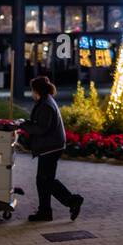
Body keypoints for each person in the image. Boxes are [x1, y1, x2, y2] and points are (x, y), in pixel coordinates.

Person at [21, 76, 84, 222]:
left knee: (45, 180)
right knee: (44, 180)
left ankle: (71, 201)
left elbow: (42, 128)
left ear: (37, 90)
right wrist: (25, 122)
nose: (31, 92)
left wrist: (24, 126)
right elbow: (39, 123)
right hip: (51, 145)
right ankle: (46, 211)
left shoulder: (46, 105)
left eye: (32, 89)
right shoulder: (45, 101)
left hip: (51, 147)